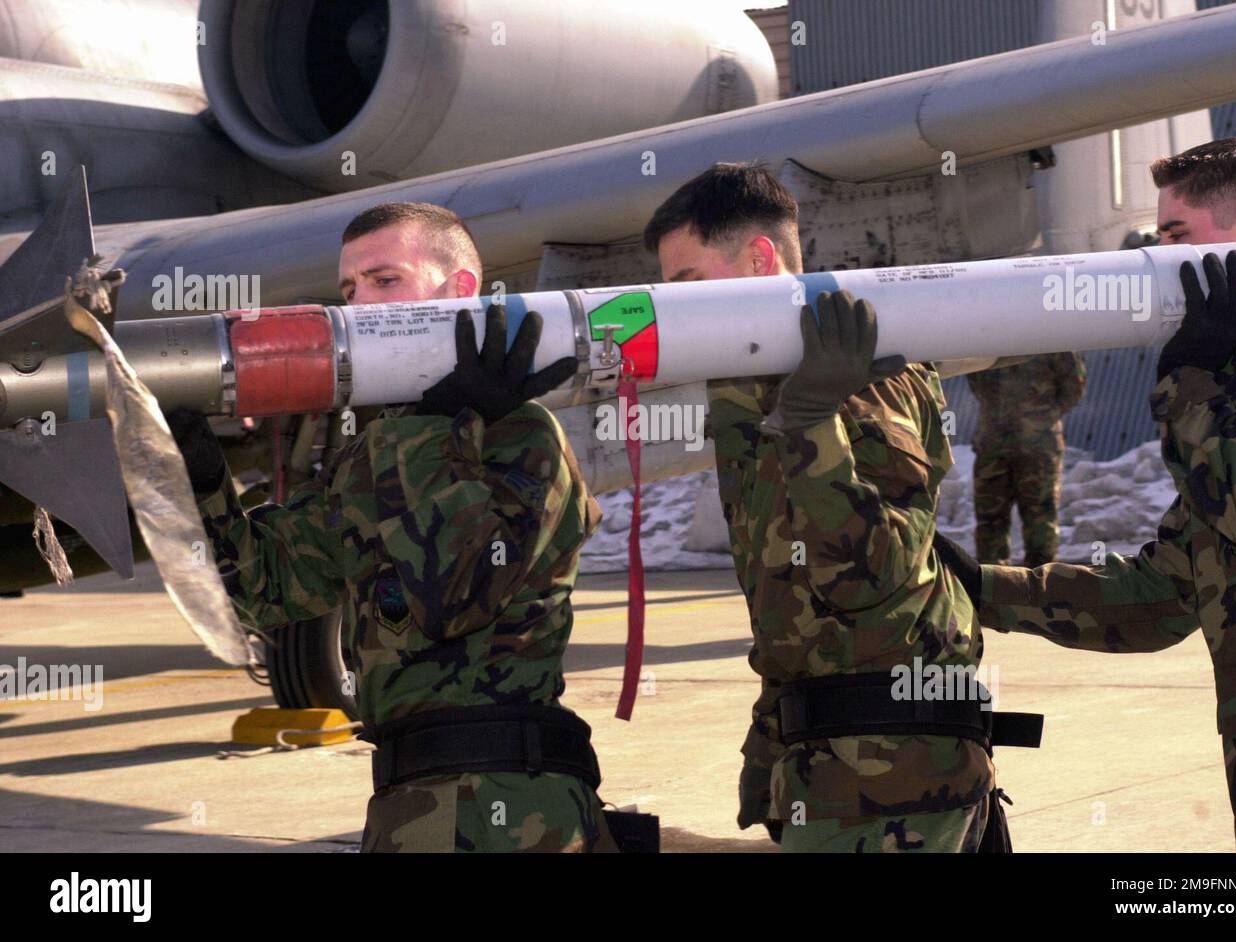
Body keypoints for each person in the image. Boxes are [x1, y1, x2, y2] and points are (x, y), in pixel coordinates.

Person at [169, 201, 618, 852]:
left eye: (386, 281)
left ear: (459, 291)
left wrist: (428, 426)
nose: (357, 308)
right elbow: (267, 591)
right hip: (408, 806)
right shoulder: (378, 450)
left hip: (514, 811)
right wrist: (203, 482)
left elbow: (452, 595)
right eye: (348, 290)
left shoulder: (521, 434)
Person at [936, 137, 1236, 852]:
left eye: (1175, 236)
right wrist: (985, 586)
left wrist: (1187, 382)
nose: (1157, 256)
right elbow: (1161, 596)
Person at [644, 163, 1016, 852]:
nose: (674, 307)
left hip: (892, 773)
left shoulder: (864, 376)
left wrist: (812, 416)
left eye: (686, 283)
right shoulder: (752, 375)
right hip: (824, 755)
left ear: (759, 260)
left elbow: (871, 570)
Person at [968, 352, 1087, 566]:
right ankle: (992, 587)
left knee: (1040, 516)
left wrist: (1041, 416)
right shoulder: (988, 334)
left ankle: (1041, 589)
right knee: (989, 519)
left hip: (1037, 448)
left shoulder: (1051, 335)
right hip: (993, 443)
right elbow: (974, 377)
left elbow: (1074, 386)